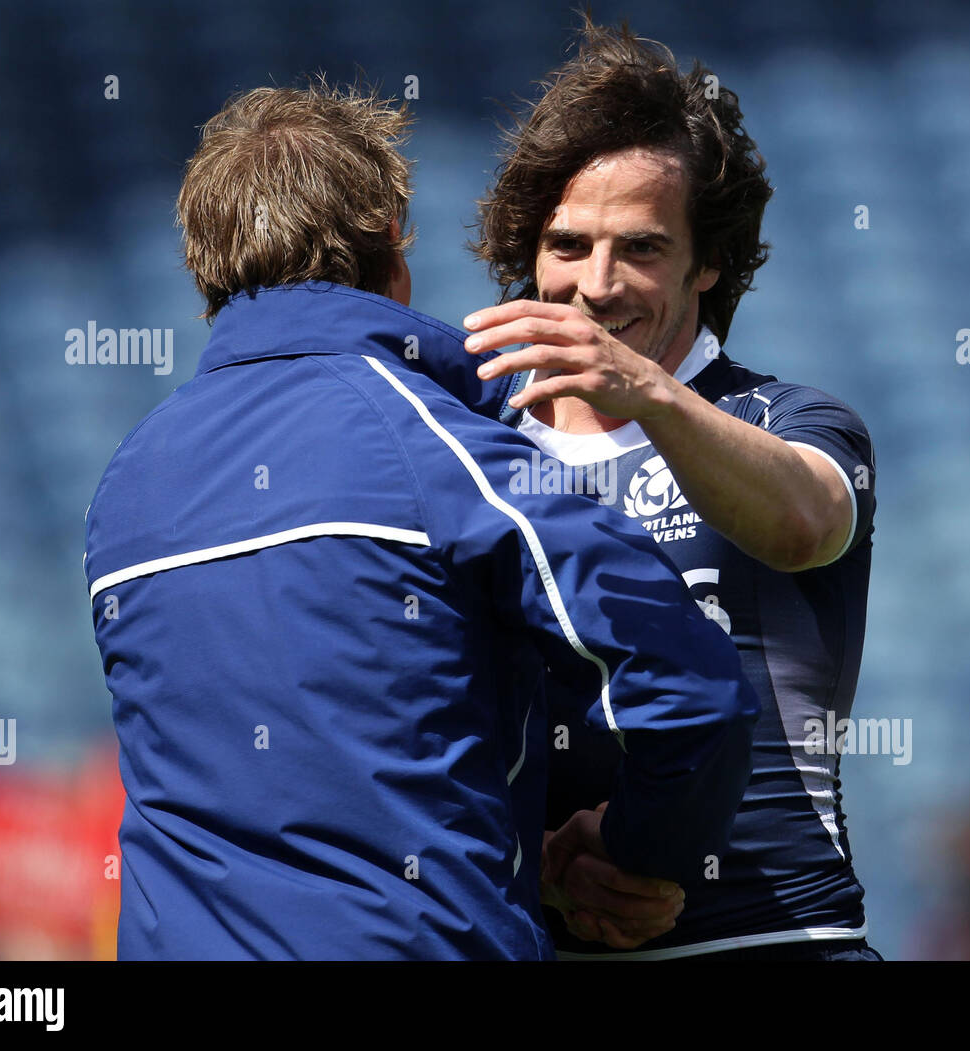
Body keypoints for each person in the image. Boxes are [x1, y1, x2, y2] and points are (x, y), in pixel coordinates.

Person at [82, 79, 759, 960]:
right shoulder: (439, 444)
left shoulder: (124, 485)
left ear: (205, 270)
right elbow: (692, 686)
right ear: (391, 248)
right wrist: (637, 856)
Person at [468, 21, 882, 960]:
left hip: (776, 940)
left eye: (642, 249)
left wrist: (643, 389)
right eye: (567, 244)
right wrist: (542, 863)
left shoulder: (789, 420)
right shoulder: (471, 440)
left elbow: (807, 520)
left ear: (709, 263)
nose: (596, 287)